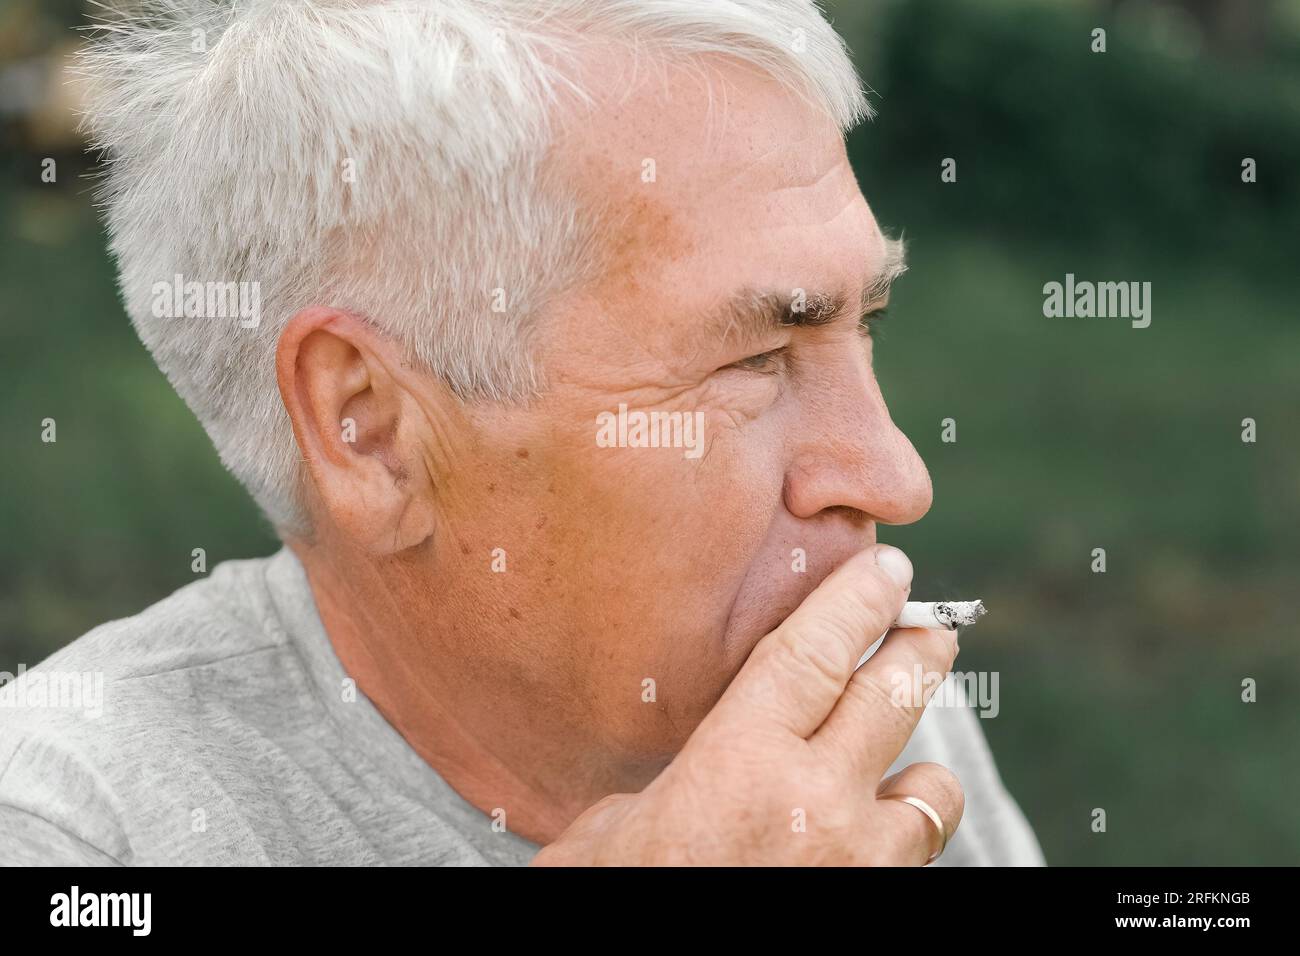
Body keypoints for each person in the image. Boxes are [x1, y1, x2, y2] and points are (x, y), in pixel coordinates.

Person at [0, 0, 1044, 866]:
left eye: (865, 323)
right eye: (755, 360)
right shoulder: (71, 826)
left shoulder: (824, 705)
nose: (895, 478)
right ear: (371, 429)